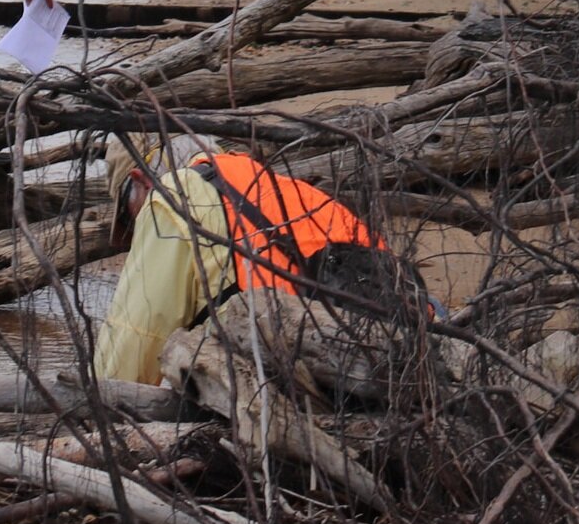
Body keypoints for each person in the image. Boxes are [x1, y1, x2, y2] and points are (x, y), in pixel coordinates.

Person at [91, 136, 425, 385]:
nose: (133, 229)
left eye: (126, 215)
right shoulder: (281, 187)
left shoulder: (171, 196)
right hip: (403, 362)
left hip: (300, 382)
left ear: (140, 181)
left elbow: (131, 347)